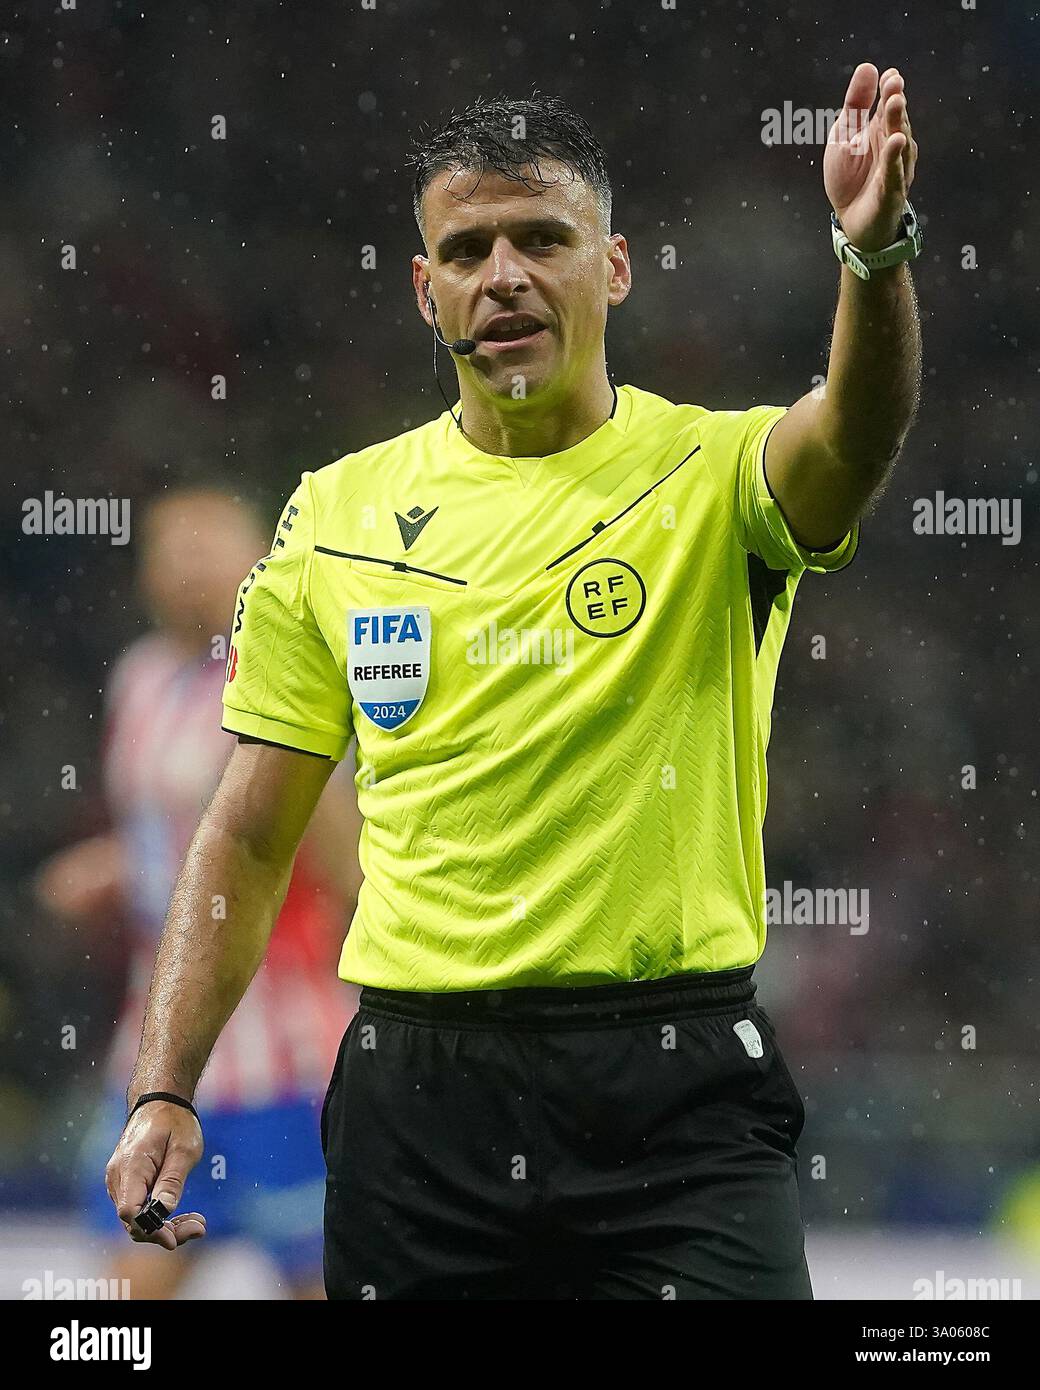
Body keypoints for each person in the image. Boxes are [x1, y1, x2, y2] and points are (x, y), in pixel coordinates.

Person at [104, 71, 921, 1299]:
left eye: (543, 239)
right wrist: (166, 1082)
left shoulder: (710, 472)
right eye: (466, 248)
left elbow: (854, 435)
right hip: (419, 1095)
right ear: (424, 290)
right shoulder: (336, 515)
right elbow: (247, 831)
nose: (505, 274)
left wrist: (872, 257)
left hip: (674, 1087)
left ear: (617, 268)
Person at [37, 487, 363, 1299]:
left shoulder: (295, 671)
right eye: (169, 547)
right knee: (125, 1288)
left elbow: (339, 858)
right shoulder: (140, 679)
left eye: (207, 545)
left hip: (283, 1054)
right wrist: (115, 867)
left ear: (262, 556)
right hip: (155, 1043)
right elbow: (177, 832)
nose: (186, 567)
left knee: (318, 1281)